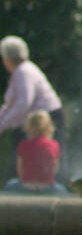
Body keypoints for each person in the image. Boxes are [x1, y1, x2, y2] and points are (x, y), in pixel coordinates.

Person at [0, 36, 68, 183]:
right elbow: (10, 105)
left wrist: (3, 124)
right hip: (34, 117)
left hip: (46, 117)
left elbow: (24, 103)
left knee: (52, 153)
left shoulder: (24, 72)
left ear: (7, 58)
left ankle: (58, 185)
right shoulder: (20, 72)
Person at [3, 110, 70, 195]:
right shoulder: (54, 145)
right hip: (47, 187)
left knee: (9, 185)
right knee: (63, 190)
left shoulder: (23, 145)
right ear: (49, 127)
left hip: (26, 186)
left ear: (28, 127)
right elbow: (55, 168)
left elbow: (20, 169)